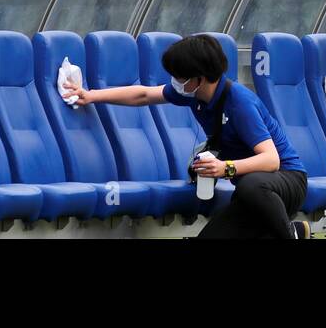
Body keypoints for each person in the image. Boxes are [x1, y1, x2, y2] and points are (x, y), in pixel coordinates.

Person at [61, 33, 311, 239]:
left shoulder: (239, 104)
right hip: (250, 194)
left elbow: (271, 160)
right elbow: (144, 95)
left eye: (179, 76)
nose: (174, 81)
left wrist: (225, 168)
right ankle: (296, 231)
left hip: (283, 183)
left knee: (250, 185)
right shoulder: (193, 93)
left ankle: (290, 235)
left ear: (199, 79)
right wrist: (91, 95)